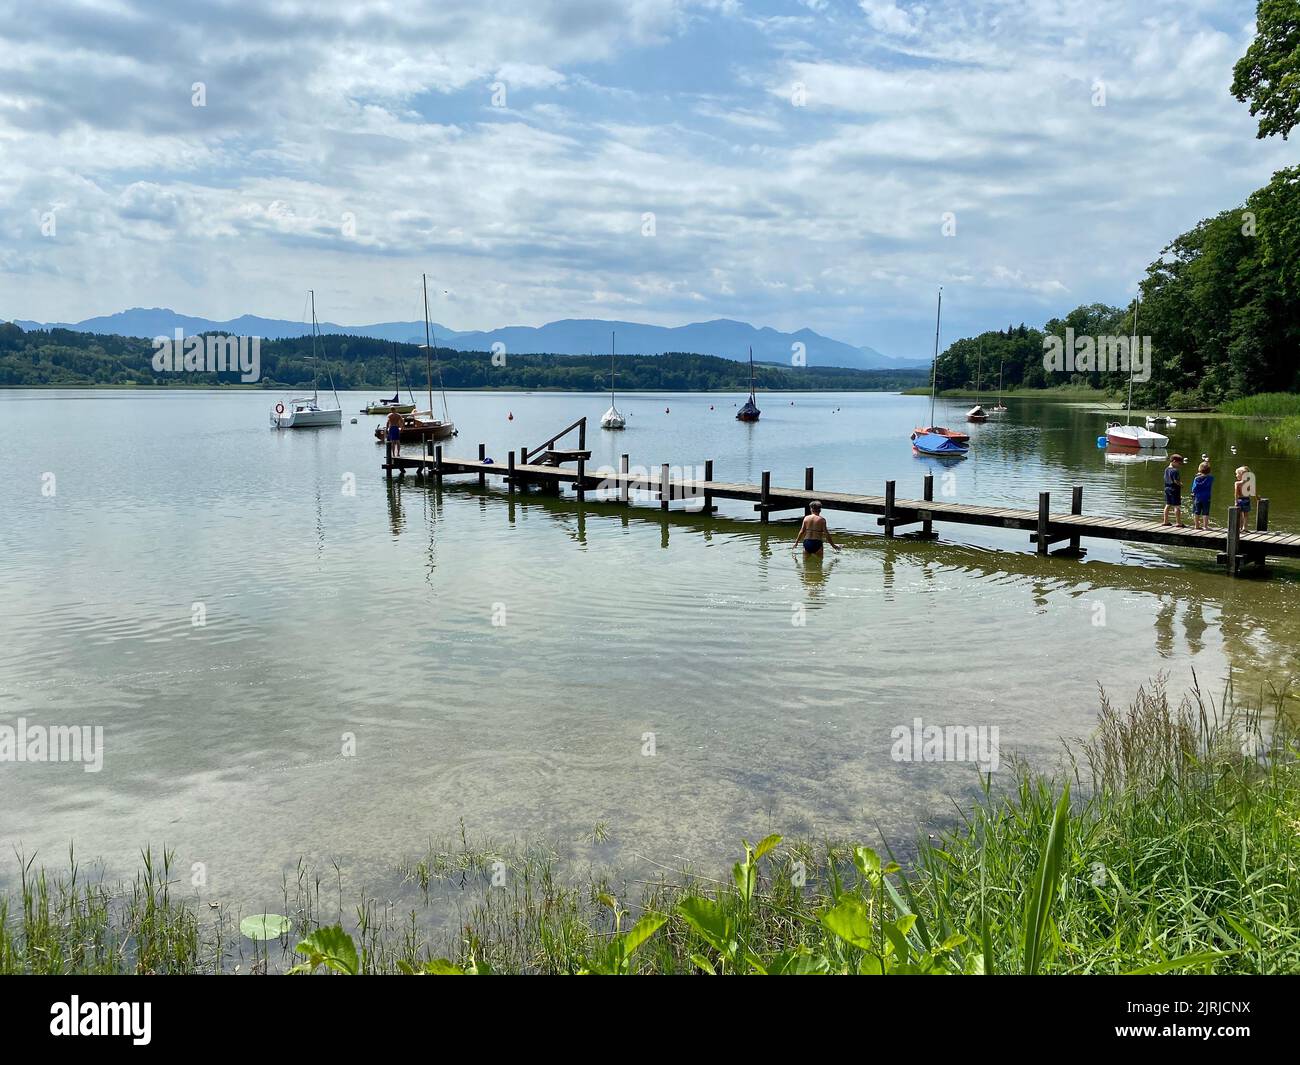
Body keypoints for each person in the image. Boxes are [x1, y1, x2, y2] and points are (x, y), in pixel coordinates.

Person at [1161, 454, 1185, 528]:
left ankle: (1165, 521)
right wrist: (1181, 484)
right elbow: (1175, 481)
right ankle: (1178, 523)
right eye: (1179, 463)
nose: (1180, 465)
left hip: (1167, 489)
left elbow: (1165, 478)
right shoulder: (1175, 471)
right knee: (1177, 506)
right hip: (1174, 490)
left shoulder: (1166, 469)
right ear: (1174, 461)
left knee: (1168, 505)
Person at [1190, 460, 1213, 531]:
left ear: (1199, 470)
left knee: (1196, 511)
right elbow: (1208, 476)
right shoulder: (1211, 478)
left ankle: (1196, 525)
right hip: (1207, 498)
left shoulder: (1196, 479)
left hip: (1197, 498)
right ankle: (1205, 526)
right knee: (1205, 512)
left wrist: (1199, 476)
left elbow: (1194, 489)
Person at [1235, 465, 1254, 533]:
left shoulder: (1237, 483)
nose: (1236, 475)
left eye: (1237, 474)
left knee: (1239, 514)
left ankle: (1239, 528)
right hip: (1247, 499)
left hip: (1240, 500)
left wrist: (1236, 501)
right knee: (1246, 514)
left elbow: (1236, 494)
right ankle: (1245, 527)